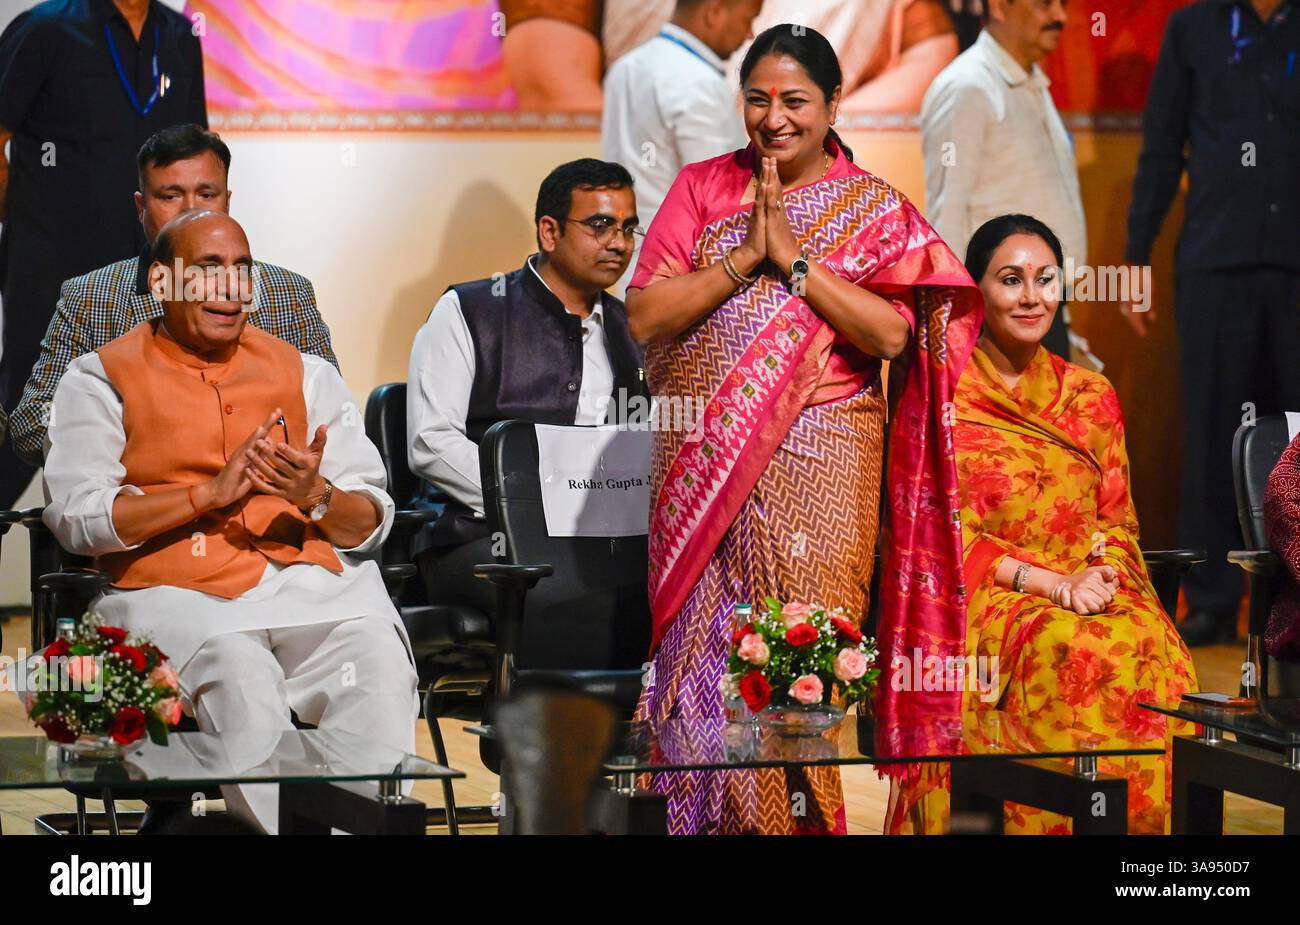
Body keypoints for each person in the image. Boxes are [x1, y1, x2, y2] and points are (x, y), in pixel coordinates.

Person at [626, 25, 982, 835]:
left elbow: (892, 335)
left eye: (794, 101)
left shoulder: (870, 207)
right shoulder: (702, 186)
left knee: (799, 658)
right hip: (704, 458)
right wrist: (740, 258)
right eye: (757, 99)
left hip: (826, 454)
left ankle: (796, 823)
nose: (773, 118)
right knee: (701, 664)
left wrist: (793, 261)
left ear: (831, 105)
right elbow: (646, 313)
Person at [41, 210, 417, 834]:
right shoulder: (100, 378)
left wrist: (315, 494)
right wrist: (205, 495)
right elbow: (77, 517)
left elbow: (372, 517)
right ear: (161, 283)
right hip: (175, 596)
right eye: (209, 269)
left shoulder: (307, 373)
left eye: (242, 269)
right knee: (241, 674)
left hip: (307, 587)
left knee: (376, 659)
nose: (232, 287)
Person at [889, 215, 1198, 834]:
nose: (1031, 297)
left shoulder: (1092, 394)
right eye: (1011, 280)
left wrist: (1102, 575)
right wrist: (1051, 586)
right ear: (976, 290)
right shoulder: (940, 394)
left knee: (1159, 652)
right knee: (1067, 647)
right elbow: (936, 534)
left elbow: (1117, 519)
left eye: (1045, 279)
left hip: (1091, 584)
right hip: (983, 592)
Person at [1122, 0, 1300, 646]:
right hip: (1214, 262)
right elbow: (1163, 144)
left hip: (1294, 266)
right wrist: (1137, 251)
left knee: (1296, 443)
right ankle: (1214, 600)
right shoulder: (1193, 26)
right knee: (1212, 435)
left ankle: (1291, 600)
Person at [406, 159, 649, 625]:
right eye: (600, 225)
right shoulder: (470, 310)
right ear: (549, 232)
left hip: (604, 540)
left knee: (678, 588)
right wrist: (529, 505)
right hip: (479, 536)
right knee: (576, 594)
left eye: (627, 228)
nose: (618, 243)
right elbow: (431, 442)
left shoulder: (633, 329)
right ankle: (538, 700)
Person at [9, 123, 336, 467]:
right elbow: (31, 426)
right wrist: (149, 439)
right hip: (139, 501)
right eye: (170, 196)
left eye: (207, 194)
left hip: (265, 500)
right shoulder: (92, 298)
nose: (191, 210)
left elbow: (331, 419)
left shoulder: (286, 294)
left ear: (228, 200)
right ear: (141, 207)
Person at [0, 0, 207, 507]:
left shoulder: (179, 34)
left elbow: (195, 152)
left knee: (149, 403)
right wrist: (25, 222)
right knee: (28, 405)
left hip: (149, 267)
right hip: (48, 260)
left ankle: (124, 557)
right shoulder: (45, 28)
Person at [920, 0, 1080, 358]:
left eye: (1063, 4)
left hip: (1036, 314)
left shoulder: (1030, 82)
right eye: (1044, 4)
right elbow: (947, 218)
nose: (1060, 17)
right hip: (993, 327)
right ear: (998, 7)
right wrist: (960, 332)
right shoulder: (968, 87)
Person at [501, 0, 959, 112]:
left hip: (813, 194)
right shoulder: (650, 75)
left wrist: (816, 145)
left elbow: (933, 58)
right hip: (653, 197)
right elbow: (545, 72)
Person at [601, 0, 762, 296]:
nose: (749, 34)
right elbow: (718, 201)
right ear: (715, 11)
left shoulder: (624, 68)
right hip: (680, 275)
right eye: (747, 20)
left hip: (624, 267)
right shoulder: (698, 83)